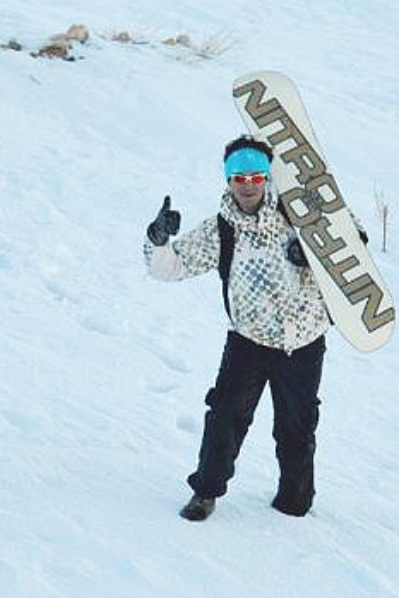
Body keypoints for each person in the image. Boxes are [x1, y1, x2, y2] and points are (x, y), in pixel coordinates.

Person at [143, 135, 357, 521]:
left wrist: (311, 252)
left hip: (303, 341)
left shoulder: (301, 214)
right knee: (224, 417)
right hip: (249, 342)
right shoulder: (221, 231)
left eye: (256, 177)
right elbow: (169, 267)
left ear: (267, 179)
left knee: (298, 426)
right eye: (239, 179)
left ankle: (295, 500)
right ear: (228, 181)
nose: (247, 186)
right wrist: (157, 240)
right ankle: (205, 493)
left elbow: (352, 236)